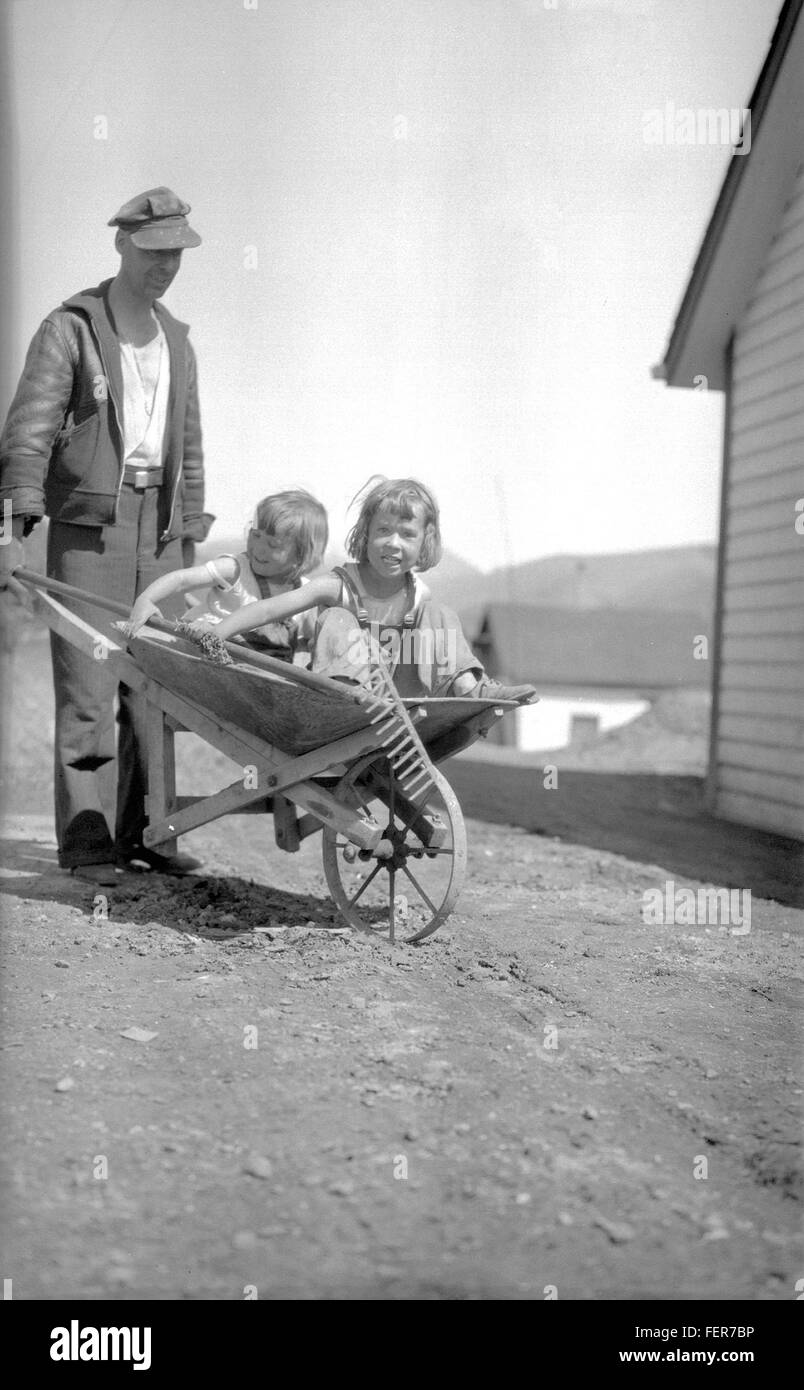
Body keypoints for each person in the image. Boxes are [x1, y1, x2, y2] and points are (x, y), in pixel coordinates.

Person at [0, 187, 210, 884]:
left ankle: (149, 834)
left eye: (177, 253)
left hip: (164, 536)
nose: (166, 266)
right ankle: (89, 845)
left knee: (156, 690)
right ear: (122, 243)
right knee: (88, 686)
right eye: (155, 251)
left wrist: (191, 533)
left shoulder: (179, 339)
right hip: (89, 530)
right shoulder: (71, 328)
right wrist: (16, 521)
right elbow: (29, 428)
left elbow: (191, 443)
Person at [187, 476, 537, 703]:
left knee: (440, 614)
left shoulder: (419, 594)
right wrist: (218, 633)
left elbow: (430, 644)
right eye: (383, 531)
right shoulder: (338, 585)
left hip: (398, 694)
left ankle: (467, 689)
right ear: (365, 535)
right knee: (338, 618)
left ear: (424, 542)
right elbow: (268, 610)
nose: (393, 544)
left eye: (407, 534)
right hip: (345, 694)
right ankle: (348, 695)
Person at [126, 489, 328, 660]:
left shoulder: (303, 594)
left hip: (255, 672)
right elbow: (181, 580)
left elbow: (309, 642)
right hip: (204, 651)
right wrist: (146, 599)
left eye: (273, 545)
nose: (259, 548)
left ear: (301, 556)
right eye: (256, 535)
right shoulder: (235, 569)